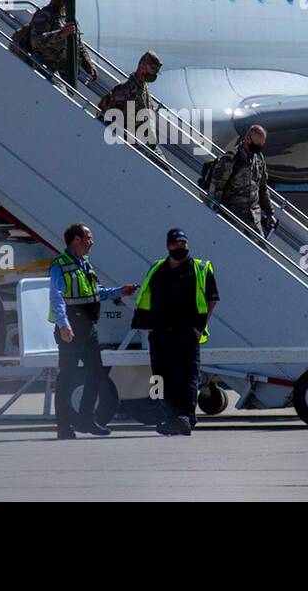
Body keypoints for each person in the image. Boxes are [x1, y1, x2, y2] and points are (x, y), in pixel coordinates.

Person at [48, 223, 137, 439]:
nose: (92, 241)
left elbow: (97, 292)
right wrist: (63, 325)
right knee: (67, 377)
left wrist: (120, 292)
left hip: (88, 326)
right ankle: (63, 426)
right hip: (70, 326)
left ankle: (86, 420)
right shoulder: (60, 265)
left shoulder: (84, 264)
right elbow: (56, 297)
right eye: (88, 237)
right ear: (76, 240)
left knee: (97, 374)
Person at [132, 228, 218, 436]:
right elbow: (146, 296)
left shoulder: (201, 268)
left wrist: (199, 328)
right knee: (160, 378)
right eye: (176, 244)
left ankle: (186, 417)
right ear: (168, 246)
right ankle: (168, 417)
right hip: (160, 333)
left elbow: (212, 298)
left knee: (188, 376)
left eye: (183, 244)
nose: (181, 247)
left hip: (187, 333)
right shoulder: (157, 269)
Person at [207, 125, 274, 236]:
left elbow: (262, 187)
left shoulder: (258, 158)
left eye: (261, 145)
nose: (258, 148)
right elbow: (216, 189)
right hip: (232, 214)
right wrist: (214, 213)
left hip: (253, 216)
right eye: (257, 145)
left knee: (261, 249)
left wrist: (269, 212)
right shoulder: (231, 159)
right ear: (248, 139)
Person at [28, 0, 97, 84]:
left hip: (68, 73)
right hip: (48, 70)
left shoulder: (69, 17)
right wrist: (61, 34)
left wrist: (89, 64)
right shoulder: (44, 15)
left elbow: (77, 44)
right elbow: (36, 41)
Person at [99, 51, 161, 146]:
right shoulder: (125, 89)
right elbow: (108, 115)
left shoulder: (144, 87)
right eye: (153, 70)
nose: (154, 75)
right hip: (133, 143)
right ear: (142, 66)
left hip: (147, 142)